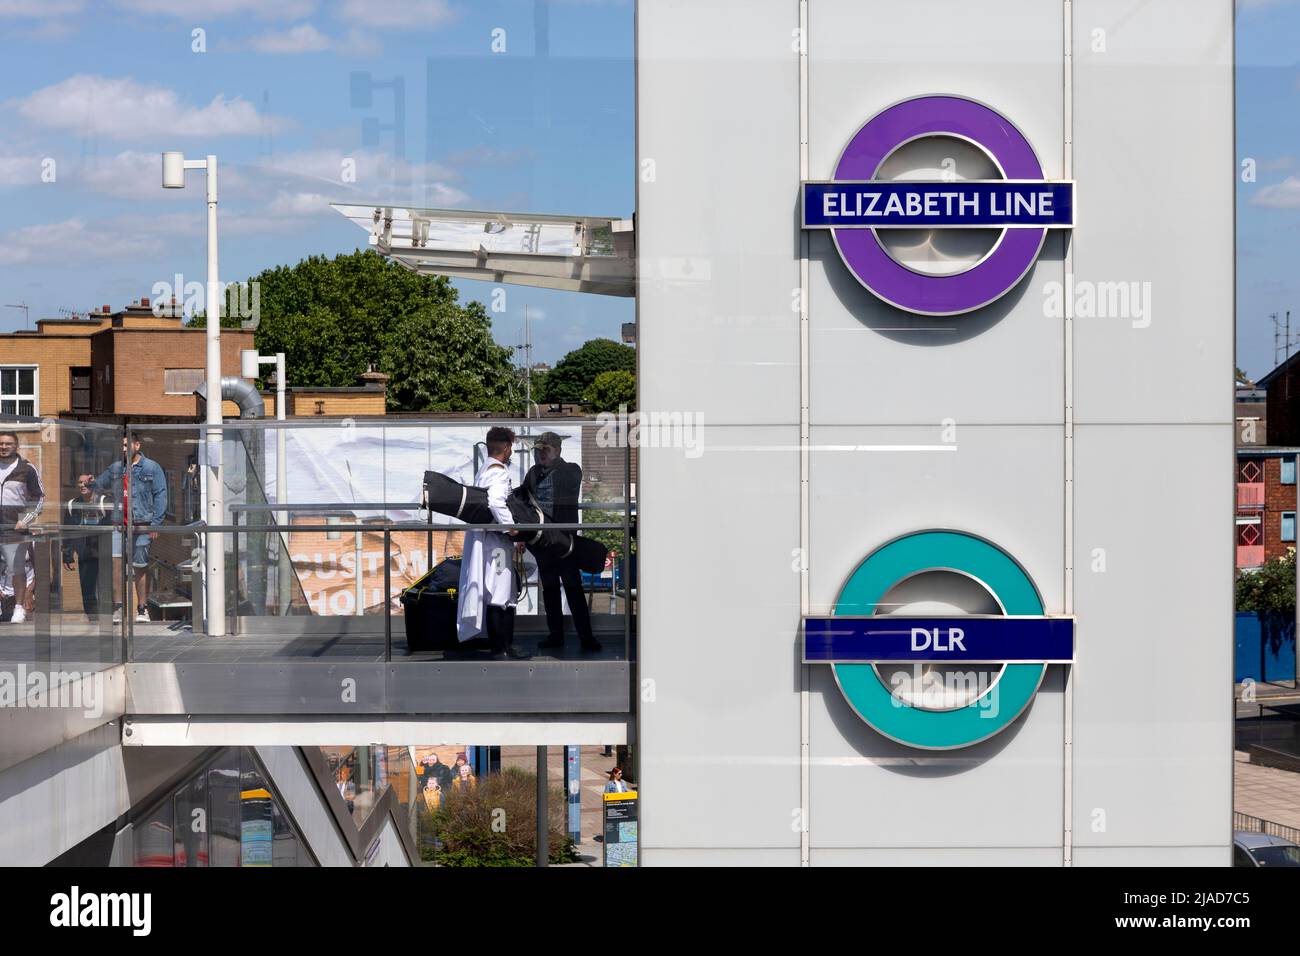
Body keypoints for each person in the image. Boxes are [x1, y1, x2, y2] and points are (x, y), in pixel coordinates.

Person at [522, 431, 600, 653]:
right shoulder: (533, 473)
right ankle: (555, 635)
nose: (540, 455)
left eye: (545, 450)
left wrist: (550, 465)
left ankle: (586, 637)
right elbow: (523, 498)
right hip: (543, 544)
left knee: (574, 589)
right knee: (550, 591)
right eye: (538, 451)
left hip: (565, 543)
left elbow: (567, 480)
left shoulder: (570, 470)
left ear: (558, 451)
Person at [456, 426, 530, 660]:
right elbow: (497, 503)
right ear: (506, 448)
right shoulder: (499, 472)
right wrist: (513, 529)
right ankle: (501, 648)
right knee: (501, 593)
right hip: (497, 541)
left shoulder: (485, 470)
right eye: (511, 448)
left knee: (502, 592)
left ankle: (504, 646)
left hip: (491, 538)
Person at [84, 432, 168, 624]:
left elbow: (161, 496)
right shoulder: (115, 468)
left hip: (142, 524)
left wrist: (156, 523)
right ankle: (119, 607)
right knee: (116, 564)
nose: (123, 449)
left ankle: (142, 608)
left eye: (126, 445)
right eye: (120, 446)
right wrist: (90, 482)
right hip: (118, 524)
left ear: (137, 446)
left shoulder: (151, 468)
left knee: (140, 566)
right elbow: (99, 484)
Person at [0, 430, 45, 624]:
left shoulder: (26, 469)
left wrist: (25, 520)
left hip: (14, 527)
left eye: (8, 444)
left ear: (16, 446)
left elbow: (39, 498)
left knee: (16, 568)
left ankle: (19, 607)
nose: (3, 447)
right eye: (1, 443)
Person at [62, 476, 110, 620]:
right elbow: (67, 532)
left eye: (86, 482)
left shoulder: (104, 502)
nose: (82, 485)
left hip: (104, 551)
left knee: (105, 586)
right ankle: (93, 617)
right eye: (80, 482)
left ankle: (107, 616)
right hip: (85, 552)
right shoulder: (72, 505)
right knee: (87, 587)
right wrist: (67, 555)